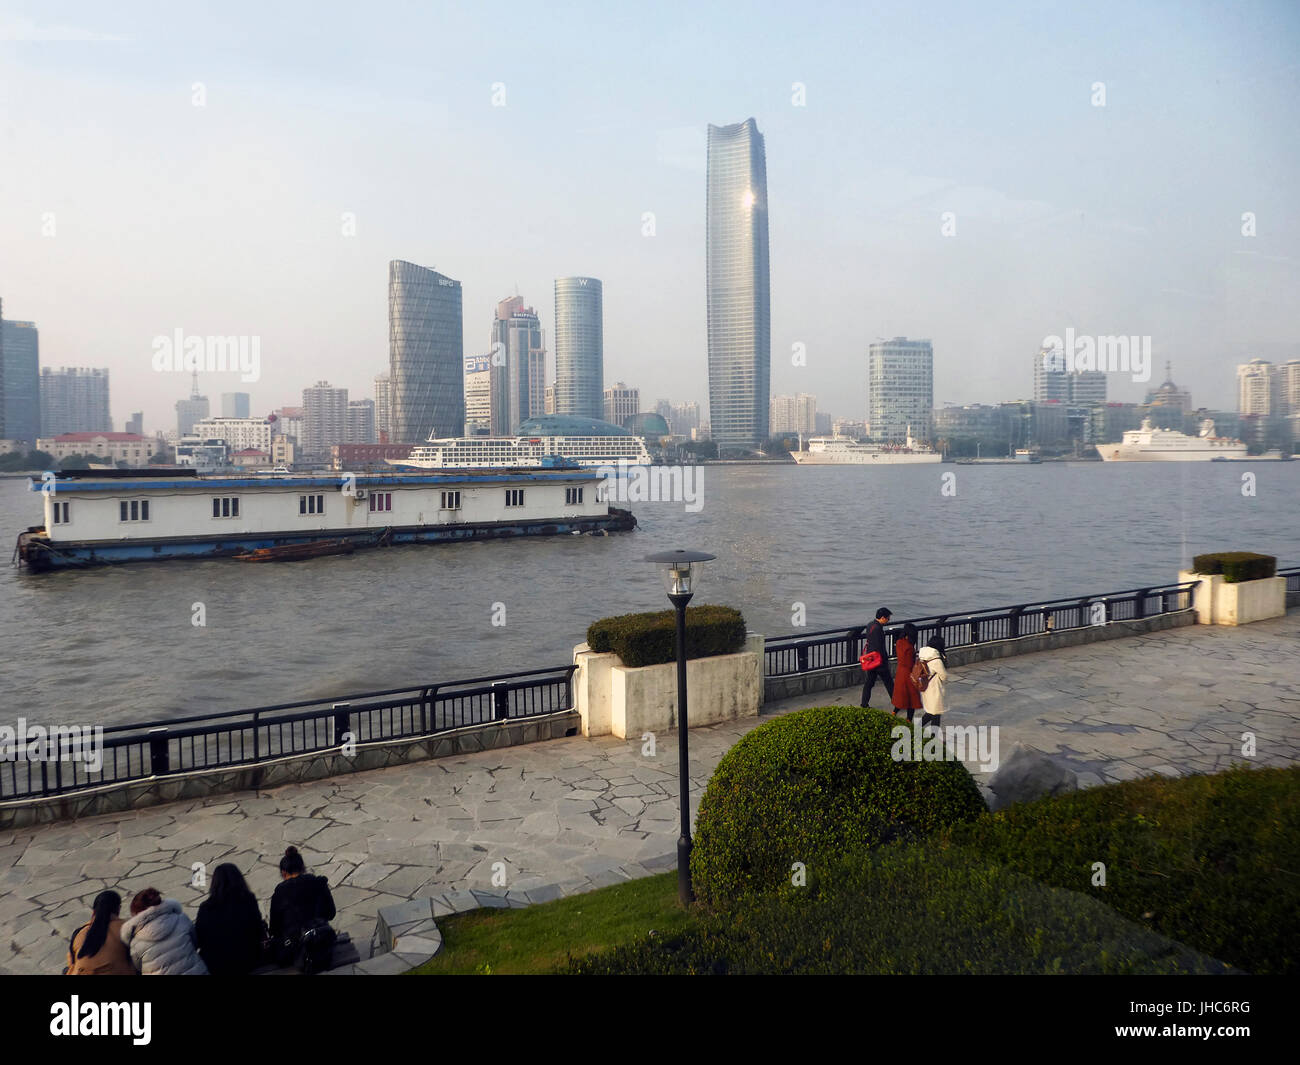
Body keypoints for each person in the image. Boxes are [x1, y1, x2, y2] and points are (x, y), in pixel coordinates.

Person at [269, 846, 337, 972]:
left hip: (297, 949)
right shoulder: (318, 882)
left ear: (283, 873)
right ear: (303, 868)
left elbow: (275, 929)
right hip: (321, 941)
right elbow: (331, 913)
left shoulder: (279, 893)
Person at [195, 863, 269, 975]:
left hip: (216, 965)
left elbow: (199, 939)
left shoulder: (206, 907)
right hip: (248, 960)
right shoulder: (248, 900)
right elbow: (257, 930)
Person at [119, 887, 208, 975]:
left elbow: (138, 966)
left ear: (137, 913)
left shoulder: (136, 942)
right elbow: (195, 943)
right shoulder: (181, 919)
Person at [65, 890, 137, 975]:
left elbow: (72, 962)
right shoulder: (126, 928)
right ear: (118, 909)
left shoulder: (79, 932)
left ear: (94, 910)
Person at [859, 607, 894, 707]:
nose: (888, 620)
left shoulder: (870, 625)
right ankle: (897, 702)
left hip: (871, 660)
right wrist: (884, 660)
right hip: (879, 661)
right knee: (889, 683)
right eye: (888, 618)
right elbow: (879, 647)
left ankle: (864, 704)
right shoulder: (878, 629)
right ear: (883, 618)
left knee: (869, 683)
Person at [892, 622, 924, 724]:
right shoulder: (909, 647)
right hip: (908, 674)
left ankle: (893, 713)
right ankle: (908, 720)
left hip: (900, 672)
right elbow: (910, 664)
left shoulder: (899, 642)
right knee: (912, 700)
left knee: (901, 697)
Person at [918, 635, 949, 730]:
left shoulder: (923, 655)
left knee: (933, 712)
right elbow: (944, 676)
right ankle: (917, 729)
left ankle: (932, 736)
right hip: (935, 689)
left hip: (925, 686)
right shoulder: (936, 660)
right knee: (935, 713)